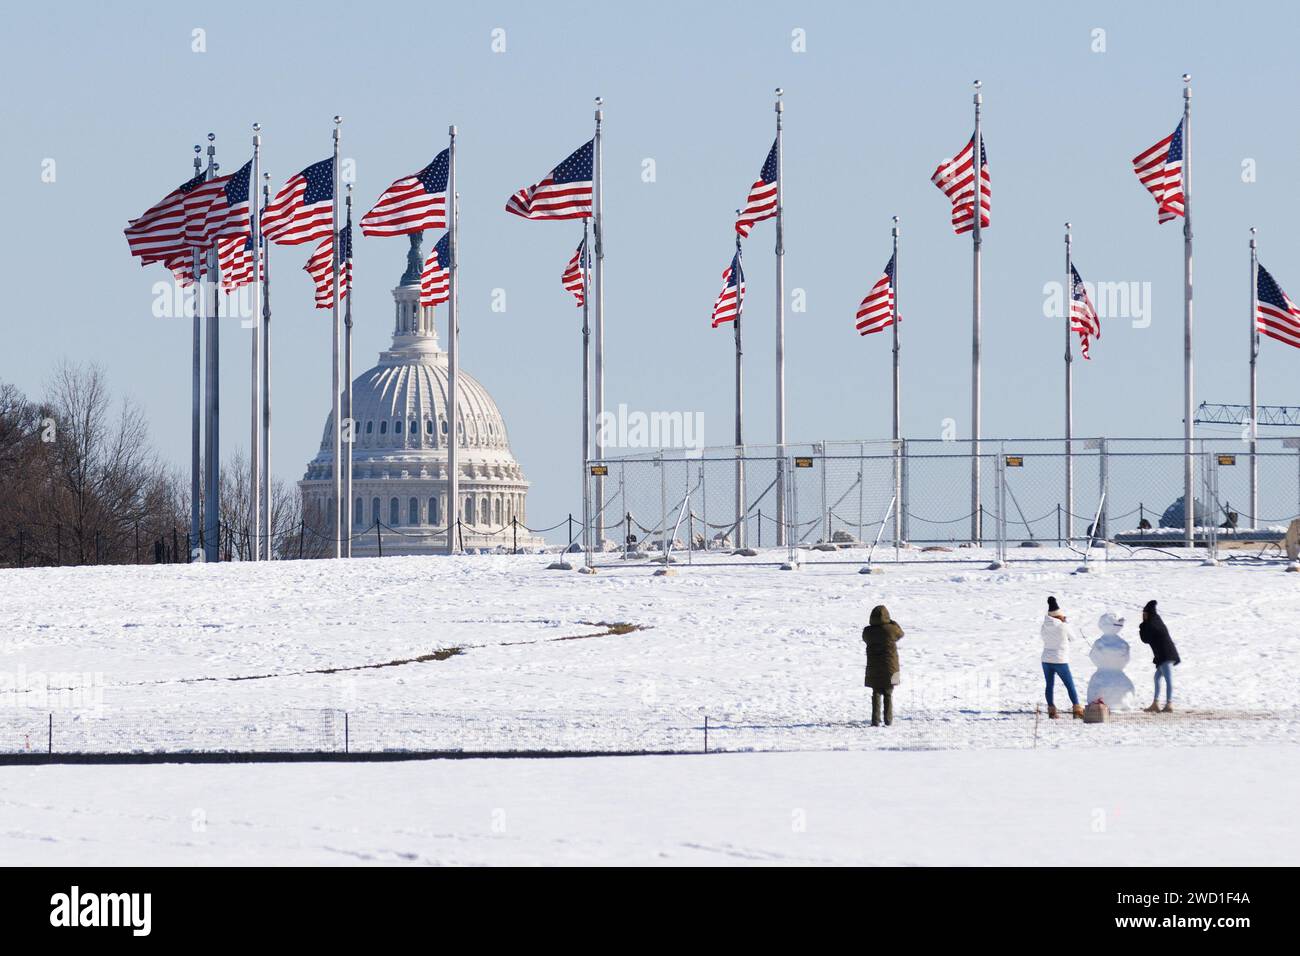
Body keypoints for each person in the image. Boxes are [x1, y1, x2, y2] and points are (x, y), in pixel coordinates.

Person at [1040, 596, 1083, 719]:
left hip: (1046, 659)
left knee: (1049, 685)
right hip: (1060, 659)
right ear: (1059, 616)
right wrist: (1065, 623)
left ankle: (1051, 710)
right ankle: (1077, 709)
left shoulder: (1044, 626)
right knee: (1069, 684)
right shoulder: (1063, 626)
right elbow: (1073, 638)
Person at [862, 605, 904, 727]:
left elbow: (864, 638)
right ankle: (888, 719)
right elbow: (900, 633)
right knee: (888, 693)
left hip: (873, 668)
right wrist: (893, 622)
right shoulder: (891, 629)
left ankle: (875, 720)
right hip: (891, 668)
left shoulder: (868, 631)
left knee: (876, 693)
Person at [1139, 599, 1181, 713]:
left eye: (1144, 614)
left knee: (1168, 679)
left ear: (1149, 613)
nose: (1143, 616)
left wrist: (1142, 625)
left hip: (1165, 655)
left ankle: (1169, 704)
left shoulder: (1151, 624)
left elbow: (1145, 639)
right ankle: (1155, 703)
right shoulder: (1156, 620)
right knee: (1157, 677)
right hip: (1164, 654)